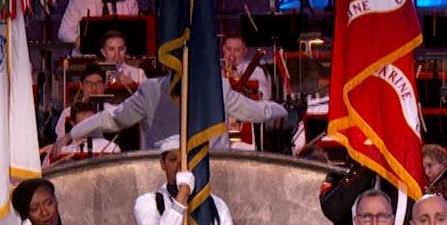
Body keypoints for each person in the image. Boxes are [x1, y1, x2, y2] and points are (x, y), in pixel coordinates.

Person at [69, 74, 286, 150]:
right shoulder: (151, 90)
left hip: (212, 177)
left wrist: (282, 109)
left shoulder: (218, 87)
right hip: (163, 182)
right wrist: (73, 134)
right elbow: (112, 119)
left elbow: (258, 112)